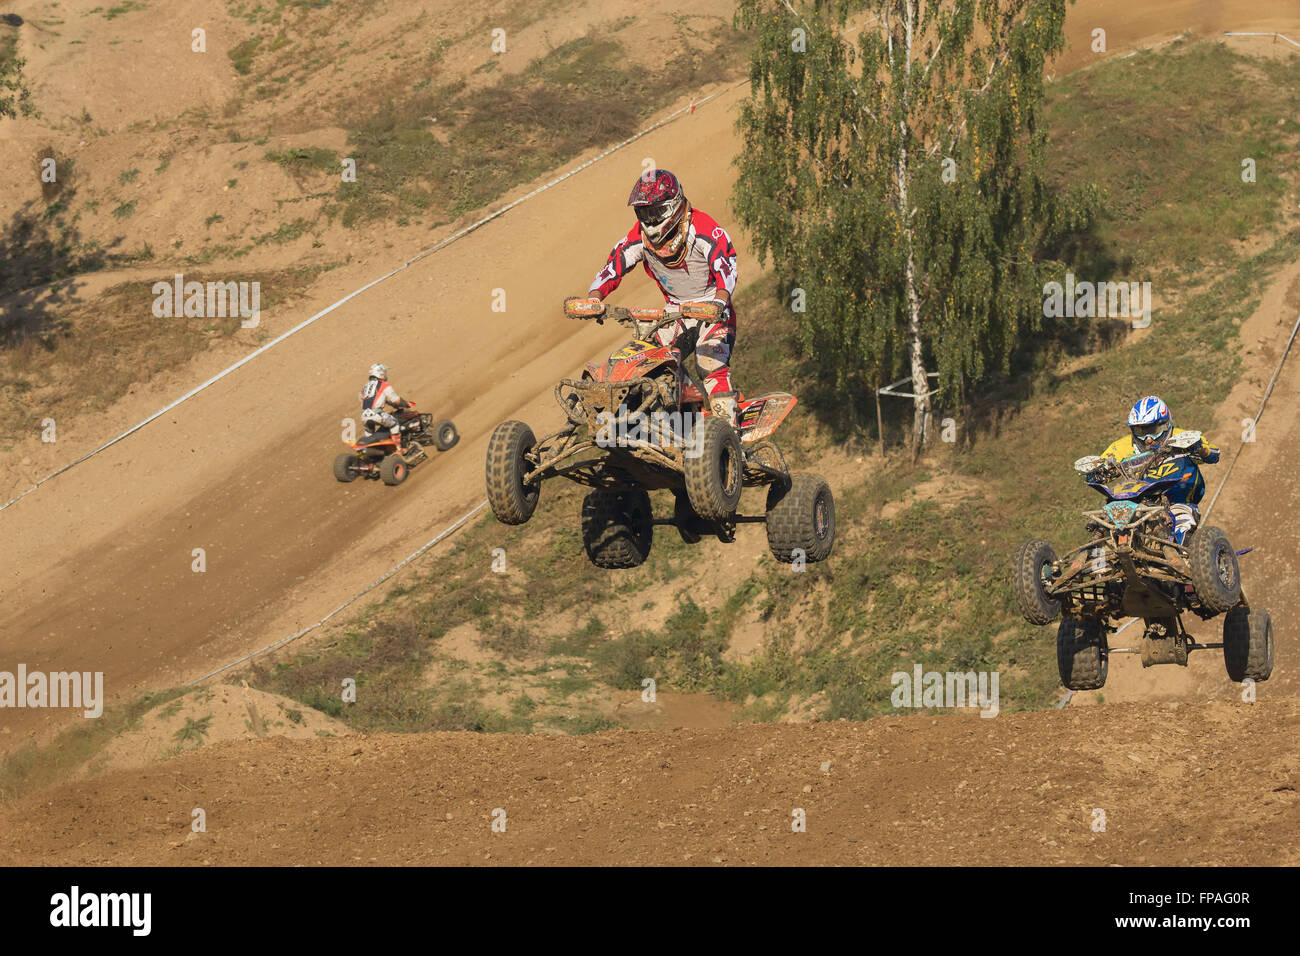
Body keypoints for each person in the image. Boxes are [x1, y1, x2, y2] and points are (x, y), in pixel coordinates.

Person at [584, 169, 741, 424]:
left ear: (673, 206)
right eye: (644, 212)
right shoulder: (639, 236)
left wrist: (720, 301)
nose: (650, 219)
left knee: (709, 363)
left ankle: (729, 432)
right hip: (674, 313)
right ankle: (677, 418)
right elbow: (613, 266)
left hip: (713, 311)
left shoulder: (704, 228)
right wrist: (594, 297)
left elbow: (727, 267)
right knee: (643, 364)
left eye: (656, 211)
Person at [1096, 395, 1220, 544]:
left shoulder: (1183, 437)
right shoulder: (1122, 447)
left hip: (1178, 502)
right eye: (1140, 431)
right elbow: (1100, 464)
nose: (1148, 439)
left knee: (1182, 532)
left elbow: (1214, 454)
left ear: (1165, 424)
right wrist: (1097, 472)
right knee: (1107, 530)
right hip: (1138, 504)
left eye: (1153, 430)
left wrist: (1200, 449)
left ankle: (1186, 555)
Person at [359, 363, 414, 441]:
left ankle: (372, 447)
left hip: (364, 416)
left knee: (370, 438)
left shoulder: (365, 386)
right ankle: (398, 446)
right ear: (381, 373)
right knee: (395, 424)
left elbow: (366, 400)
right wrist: (406, 404)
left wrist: (391, 403)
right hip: (377, 414)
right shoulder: (384, 385)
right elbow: (396, 400)